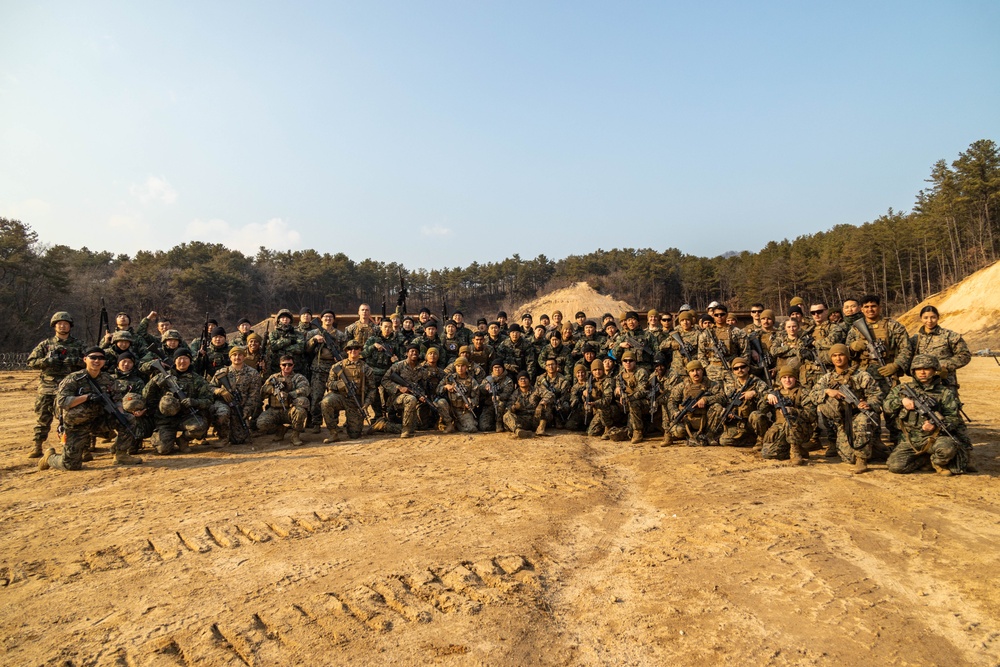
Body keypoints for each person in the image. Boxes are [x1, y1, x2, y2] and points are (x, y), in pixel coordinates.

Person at [39, 346, 143, 470]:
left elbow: (117, 399)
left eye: (100, 358)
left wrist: (120, 414)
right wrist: (87, 397)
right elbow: (62, 402)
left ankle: (121, 455)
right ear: (85, 359)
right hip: (77, 424)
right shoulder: (74, 379)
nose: (97, 361)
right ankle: (50, 457)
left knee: (128, 419)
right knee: (71, 465)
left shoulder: (107, 379)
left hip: (98, 421)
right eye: (93, 357)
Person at [884, 355, 972, 475]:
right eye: (918, 369)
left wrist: (934, 425)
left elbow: (954, 418)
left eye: (927, 369)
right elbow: (886, 407)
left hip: (935, 438)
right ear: (913, 371)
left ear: (934, 370)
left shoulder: (945, 392)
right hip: (910, 439)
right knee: (895, 467)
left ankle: (937, 462)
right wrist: (901, 402)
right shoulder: (902, 389)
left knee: (947, 449)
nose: (922, 372)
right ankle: (924, 460)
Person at [845, 294, 912, 445]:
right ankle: (873, 444)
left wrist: (895, 365)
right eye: (867, 307)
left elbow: (906, 348)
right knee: (868, 409)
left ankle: (898, 442)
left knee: (894, 410)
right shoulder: (855, 329)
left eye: (873, 306)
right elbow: (845, 352)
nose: (870, 309)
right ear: (862, 309)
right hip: (865, 377)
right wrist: (853, 347)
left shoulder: (893, 326)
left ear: (880, 307)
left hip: (887, 374)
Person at [810, 344, 884, 474]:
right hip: (842, 419)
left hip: (860, 414)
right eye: (834, 355)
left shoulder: (861, 375)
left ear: (847, 357)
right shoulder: (827, 378)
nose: (838, 358)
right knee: (848, 458)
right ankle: (873, 450)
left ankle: (862, 460)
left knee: (862, 421)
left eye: (841, 355)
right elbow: (813, 395)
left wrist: (868, 404)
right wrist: (828, 391)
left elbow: (877, 395)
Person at [26, 311, 86, 459]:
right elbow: (31, 362)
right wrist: (46, 361)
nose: (63, 326)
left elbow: (90, 361)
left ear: (70, 326)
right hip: (48, 385)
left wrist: (75, 361)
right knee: (43, 416)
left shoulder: (78, 344)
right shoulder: (45, 345)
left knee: (73, 417)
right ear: (54, 326)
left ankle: (81, 447)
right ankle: (37, 445)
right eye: (59, 324)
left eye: (65, 324)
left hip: (70, 385)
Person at [143, 348, 214, 455]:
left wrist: (195, 402)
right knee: (163, 449)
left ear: (190, 361)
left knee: (199, 426)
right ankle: (160, 436)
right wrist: (154, 383)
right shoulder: (163, 376)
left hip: (186, 417)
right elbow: (146, 395)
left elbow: (209, 400)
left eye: (186, 358)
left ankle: (183, 440)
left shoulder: (197, 379)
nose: (182, 361)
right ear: (175, 360)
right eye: (180, 358)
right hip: (165, 420)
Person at [321, 340, 376, 442]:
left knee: (354, 435)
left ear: (360, 350)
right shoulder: (338, 367)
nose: (353, 351)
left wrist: (366, 404)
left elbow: (372, 389)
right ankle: (333, 432)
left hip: (356, 401)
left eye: (356, 348)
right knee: (326, 402)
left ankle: (351, 425)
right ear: (346, 351)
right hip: (340, 397)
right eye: (350, 349)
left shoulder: (366, 368)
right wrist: (340, 385)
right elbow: (329, 384)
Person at [909, 305, 971, 395]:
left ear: (938, 318)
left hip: (945, 384)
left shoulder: (949, 336)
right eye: (925, 318)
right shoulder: (915, 339)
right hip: (922, 386)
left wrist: (944, 365)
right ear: (921, 319)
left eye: (933, 317)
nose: (929, 321)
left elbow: (965, 355)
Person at [761, 366, 817, 464]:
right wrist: (767, 397)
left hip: (799, 428)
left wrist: (793, 411)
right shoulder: (776, 392)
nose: (787, 380)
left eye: (790, 377)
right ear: (780, 379)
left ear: (795, 378)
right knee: (768, 454)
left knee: (789, 419)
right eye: (784, 377)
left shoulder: (803, 392)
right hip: (780, 428)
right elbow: (762, 409)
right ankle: (795, 449)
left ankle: (796, 452)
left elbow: (811, 415)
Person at [210, 346, 262, 445]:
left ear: (244, 357)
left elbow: (254, 395)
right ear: (230, 357)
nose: (237, 357)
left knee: (240, 439)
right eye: (234, 355)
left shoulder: (253, 373)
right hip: (224, 404)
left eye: (240, 355)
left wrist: (247, 410)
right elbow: (210, 387)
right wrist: (220, 391)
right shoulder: (221, 373)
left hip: (240, 407)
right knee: (223, 413)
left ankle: (231, 431)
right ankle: (223, 438)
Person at [305, 310, 347, 431]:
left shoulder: (340, 335)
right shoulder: (313, 333)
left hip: (335, 369)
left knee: (333, 397)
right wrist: (314, 340)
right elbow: (306, 349)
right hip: (318, 368)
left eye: (330, 317)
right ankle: (316, 423)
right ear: (321, 319)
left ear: (333, 320)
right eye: (325, 317)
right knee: (316, 396)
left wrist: (339, 356)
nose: (328, 319)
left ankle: (333, 423)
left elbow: (345, 350)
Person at [713, 357, 769, 447]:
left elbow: (769, 395)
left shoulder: (757, 382)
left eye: (742, 367)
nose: (740, 370)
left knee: (756, 415)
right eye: (736, 368)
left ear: (748, 368)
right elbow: (727, 401)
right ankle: (750, 440)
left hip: (755, 421)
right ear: (733, 371)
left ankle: (761, 439)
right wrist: (729, 413)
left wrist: (755, 393)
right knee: (724, 441)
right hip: (741, 423)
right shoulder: (732, 386)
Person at [666, 360, 724, 446]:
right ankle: (693, 436)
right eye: (692, 371)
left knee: (717, 407)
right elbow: (671, 401)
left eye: (698, 370)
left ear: (702, 370)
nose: (695, 373)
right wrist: (675, 412)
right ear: (688, 373)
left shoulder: (712, 384)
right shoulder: (682, 386)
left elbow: (722, 397)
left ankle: (709, 436)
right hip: (688, 420)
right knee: (678, 431)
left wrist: (706, 400)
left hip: (706, 420)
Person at [383, 344, 433, 438]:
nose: (414, 353)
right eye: (412, 351)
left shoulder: (422, 370)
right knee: (411, 399)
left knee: (415, 427)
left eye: (416, 352)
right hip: (396, 398)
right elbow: (385, 380)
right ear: (407, 353)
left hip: (413, 400)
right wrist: (398, 387)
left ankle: (384, 425)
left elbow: (423, 387)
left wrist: (422, 396)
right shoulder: (398, 366)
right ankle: (405, 430)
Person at [258, 355, 310, 445]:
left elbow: (305, 390)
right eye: (284, 364)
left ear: (293, 365)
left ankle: (295, 435)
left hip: (290, 409)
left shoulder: (298, 378)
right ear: (280, 365)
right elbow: (263, 390)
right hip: (274, 410)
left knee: (300, 411)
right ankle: (280, 429)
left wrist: (289, 395)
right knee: (261, 423)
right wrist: (274, 391)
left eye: (289, 365)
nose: (287, 367)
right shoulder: (273, 377)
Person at [434, 357, 480, 433]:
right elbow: (438, 389)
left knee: (471, 428)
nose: (460, 368)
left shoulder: (472, 381)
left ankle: (457, 424)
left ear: (466, 367)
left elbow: (476, 397)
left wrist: (471, 402)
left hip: (462, 410)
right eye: (458, 366)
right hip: (450, 408)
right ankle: (449, 424)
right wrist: (446, 387)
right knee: (441, 402)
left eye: (462, 366)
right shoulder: (449, 378)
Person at [502, 372, 553, 439]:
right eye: (521, 379)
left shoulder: (536, 390)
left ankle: (541, 429)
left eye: (525, 378)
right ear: (518, 382)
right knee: (506, 415)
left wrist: (542, 403)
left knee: (546, 404)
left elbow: (550, 394)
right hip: (523, 420)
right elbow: (508, 408)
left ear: (529, 380)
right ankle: (519, 431)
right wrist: (514, 407)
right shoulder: (515, 394)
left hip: (536, 418)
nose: (523, 380)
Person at [479, 360, 516, 433]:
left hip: (502, 405)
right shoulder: (488, 379)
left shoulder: (508, 380)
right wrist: (485, 387)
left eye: (499, 367)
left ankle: (499, 423)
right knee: (483, 427)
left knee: (500, 404)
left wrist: (499, 397)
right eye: (495, 367)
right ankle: (495, 424)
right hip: (489, 405)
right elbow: (480, 390)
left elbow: (508, 394)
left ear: (503, 368)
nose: (497, 369)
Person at [267, 309, 306, 376]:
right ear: (279, 319)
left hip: (295, 367)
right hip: (277, 367)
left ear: (290, 320)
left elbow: (300, 348)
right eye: (283, 317)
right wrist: (289, 341)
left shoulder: (298, 334)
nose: (285, 319)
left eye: (287, 318)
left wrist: (283, 348)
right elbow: (273, 346)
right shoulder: (273, 333)